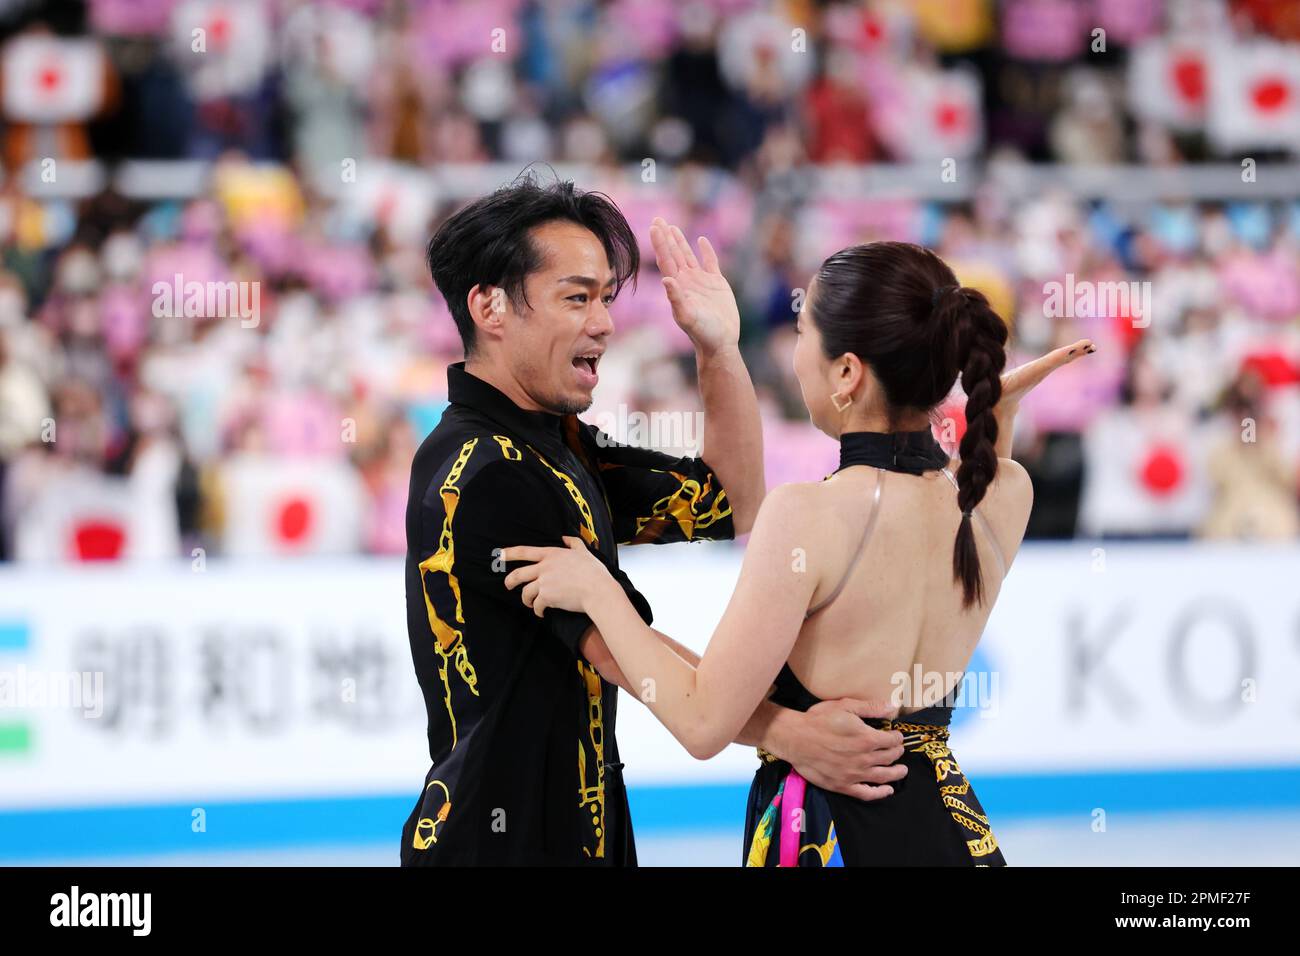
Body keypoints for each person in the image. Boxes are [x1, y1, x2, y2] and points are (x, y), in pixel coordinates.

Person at [503, 240, 1094, 866]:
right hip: (952, 829)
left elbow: (703, 721)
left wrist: (598, 591)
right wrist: (995, 410)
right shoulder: (1004, 497)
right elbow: (981, 467)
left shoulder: (807, 515)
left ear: (847, 373)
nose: (794, 353)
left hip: (829, 833)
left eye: (802, 330)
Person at [400, 174, 910, 866]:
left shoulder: (557, 445)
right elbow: (620, 647)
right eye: (577, 297)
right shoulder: (485, 471)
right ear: (490, 307)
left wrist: (717, 350)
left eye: (607, 298)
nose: (604, 322)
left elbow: (732, 499)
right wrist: (788, 733)